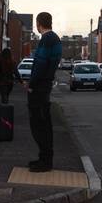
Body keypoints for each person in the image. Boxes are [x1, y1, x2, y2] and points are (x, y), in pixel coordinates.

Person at [27, 12, 62, 171]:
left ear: (38, 23)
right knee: (44, 124)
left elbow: (40, 63)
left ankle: (45, 161)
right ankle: (44, 158)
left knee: (39, 124)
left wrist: (31, 83)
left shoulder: (46, 40)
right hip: (46, 85)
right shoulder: (55, 38)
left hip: (39, 87)